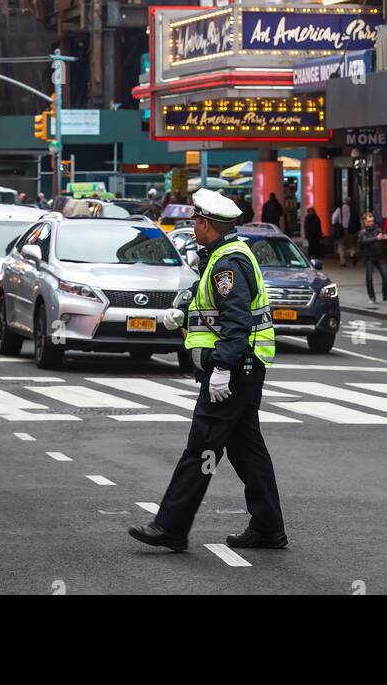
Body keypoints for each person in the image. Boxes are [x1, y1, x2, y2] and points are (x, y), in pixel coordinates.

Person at [129, 188, 286, 553]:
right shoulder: (224, 255)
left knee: (201, 448)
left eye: (197, 221)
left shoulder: (226, 263)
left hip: (234, 370)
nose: (194, 227)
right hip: (245, 368)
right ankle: (268, 527)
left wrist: (222, 370)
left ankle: (170, 526)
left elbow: (237, 321)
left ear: (206, 224)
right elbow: (219, 309)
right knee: (246, 450)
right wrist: (183, 315)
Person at [358, 211, 387, 305]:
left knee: (386, 276)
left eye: (372, 221)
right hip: (369, 258)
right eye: (369, 221)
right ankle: (372, 297)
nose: (371, 223)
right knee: (369, 278)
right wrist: (376, 239)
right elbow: (364, 242)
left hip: (380, 257)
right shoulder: (362, 232)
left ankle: (385, 296)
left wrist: (385, 238)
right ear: (364, 221)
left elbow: (383, 240)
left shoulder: (378, 230)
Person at [331, 197, 350, 266]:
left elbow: (333, 218)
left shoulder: (340, 209)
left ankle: (343, 261)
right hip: (350, 229)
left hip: (341, 229)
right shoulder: (352, 209)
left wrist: (334, 225)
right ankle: (352, 253)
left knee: (341, 245)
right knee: (351, 244)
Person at [347, 196, 361, 266]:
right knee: (355, 243)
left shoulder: (345, 210)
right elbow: (358, 220)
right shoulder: (355, 211)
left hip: (349, 229)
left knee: (351, 244)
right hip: (356, 229)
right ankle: (354, 253)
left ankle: (352, 254)